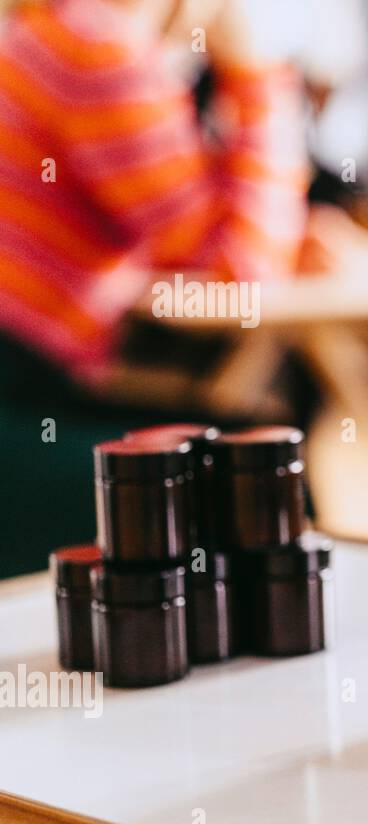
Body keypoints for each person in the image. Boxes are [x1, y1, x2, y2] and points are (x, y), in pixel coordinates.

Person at [0, 0, 310, 576]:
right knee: (260, 475)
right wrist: (257, 74)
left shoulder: (51, 32)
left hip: (27, 386)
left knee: (254, 448)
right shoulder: (97, 50)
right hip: (18, 410)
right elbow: (239, 272)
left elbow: (208, 242)